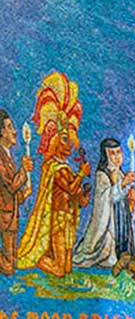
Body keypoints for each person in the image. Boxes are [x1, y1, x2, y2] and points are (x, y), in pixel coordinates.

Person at [17, 72, 90, 277]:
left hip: (68, 217)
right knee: (59, 271)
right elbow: (68, 187)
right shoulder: (54, 168)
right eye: (66, 141)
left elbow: (75, 194)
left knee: (67, 269)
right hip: (58, 218)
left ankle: (47, 258)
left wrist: (83, 198)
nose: (70, 147)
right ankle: (39, 259)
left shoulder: (65, 167)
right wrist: (82, 175)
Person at [72, 138, 135, 269]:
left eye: (119, 152)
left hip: (121, 218)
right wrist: (123, 184)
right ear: (105, 155)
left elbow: (122, 198)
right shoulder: (102, 174)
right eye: (112, 153)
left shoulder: (120, 173)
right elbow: (104, 200)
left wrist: (131, 201)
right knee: (107, 252)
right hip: (108, 223)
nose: (117, 157)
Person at [0, 109, 32, 276]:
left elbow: (9, 193)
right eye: (9, 127)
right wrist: (23, 170)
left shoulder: (8, 156)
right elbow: (10, 185)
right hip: (4, 216)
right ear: (1, 132)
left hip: (11, 216)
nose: (14, 131)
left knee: (12, 265)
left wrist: (23, 195)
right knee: (7, 267)